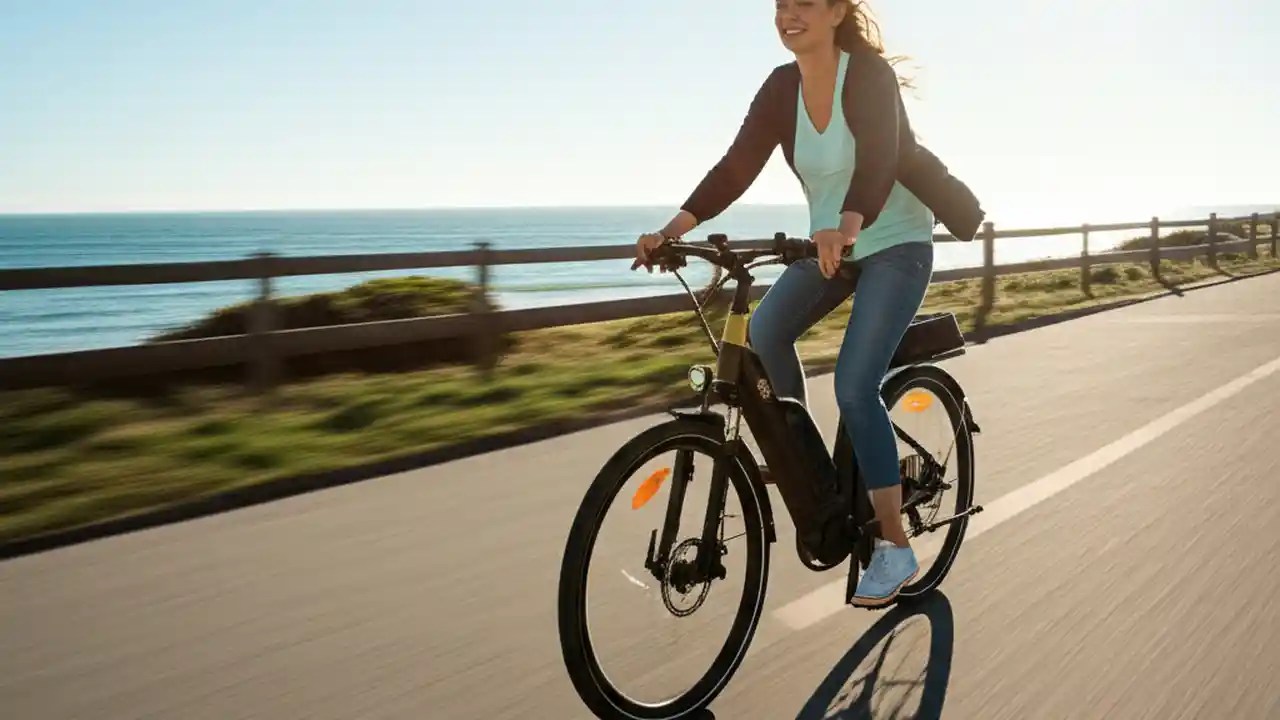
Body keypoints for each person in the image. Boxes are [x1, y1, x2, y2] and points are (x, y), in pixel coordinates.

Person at [633, 0, 983, 607]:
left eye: (804, 3)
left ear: (836, 10)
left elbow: (878, 161)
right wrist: (673, 229)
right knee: (763, 339)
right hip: (828, 248)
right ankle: (818, 475)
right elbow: (736, 165)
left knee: (854, 383)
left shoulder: (868, 76)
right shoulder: (780, 88)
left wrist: (846, 225)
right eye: (780, 4)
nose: (788, 14)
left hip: (894, 244)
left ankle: (894, 546)